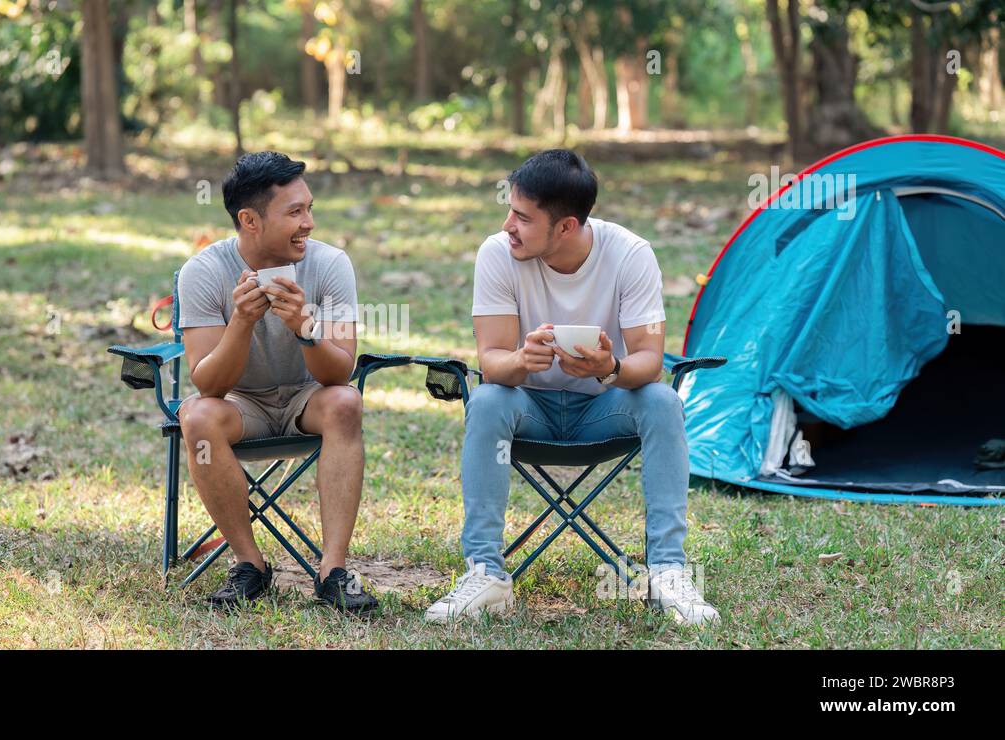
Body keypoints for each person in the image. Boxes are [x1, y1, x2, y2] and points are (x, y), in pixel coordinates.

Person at [426, 149, 720, 626]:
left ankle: (668, 572)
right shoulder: (497, 254)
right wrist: (521, 360)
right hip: (528, 406)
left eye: (522, 217)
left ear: (565, 226)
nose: (507, 226)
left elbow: (649, 361)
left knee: (663, 402)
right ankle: (486, 573)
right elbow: (491, 360)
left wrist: (609, 368)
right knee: (485, 399)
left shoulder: (630, 254)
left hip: (603, 408)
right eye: (509, 211)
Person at [175, 151, 377, 613]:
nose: (308, 222)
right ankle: (250, 565)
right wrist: (241, 322)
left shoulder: (329, 265)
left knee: (346, 402)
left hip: (309, 396)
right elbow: (208, 384)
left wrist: (304, 328)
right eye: (294, 212)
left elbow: (339, 372)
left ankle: (333, 571)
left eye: (309, 208)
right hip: (242, 402)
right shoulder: (203, 272)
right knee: (198, 415)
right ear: (249, 220)